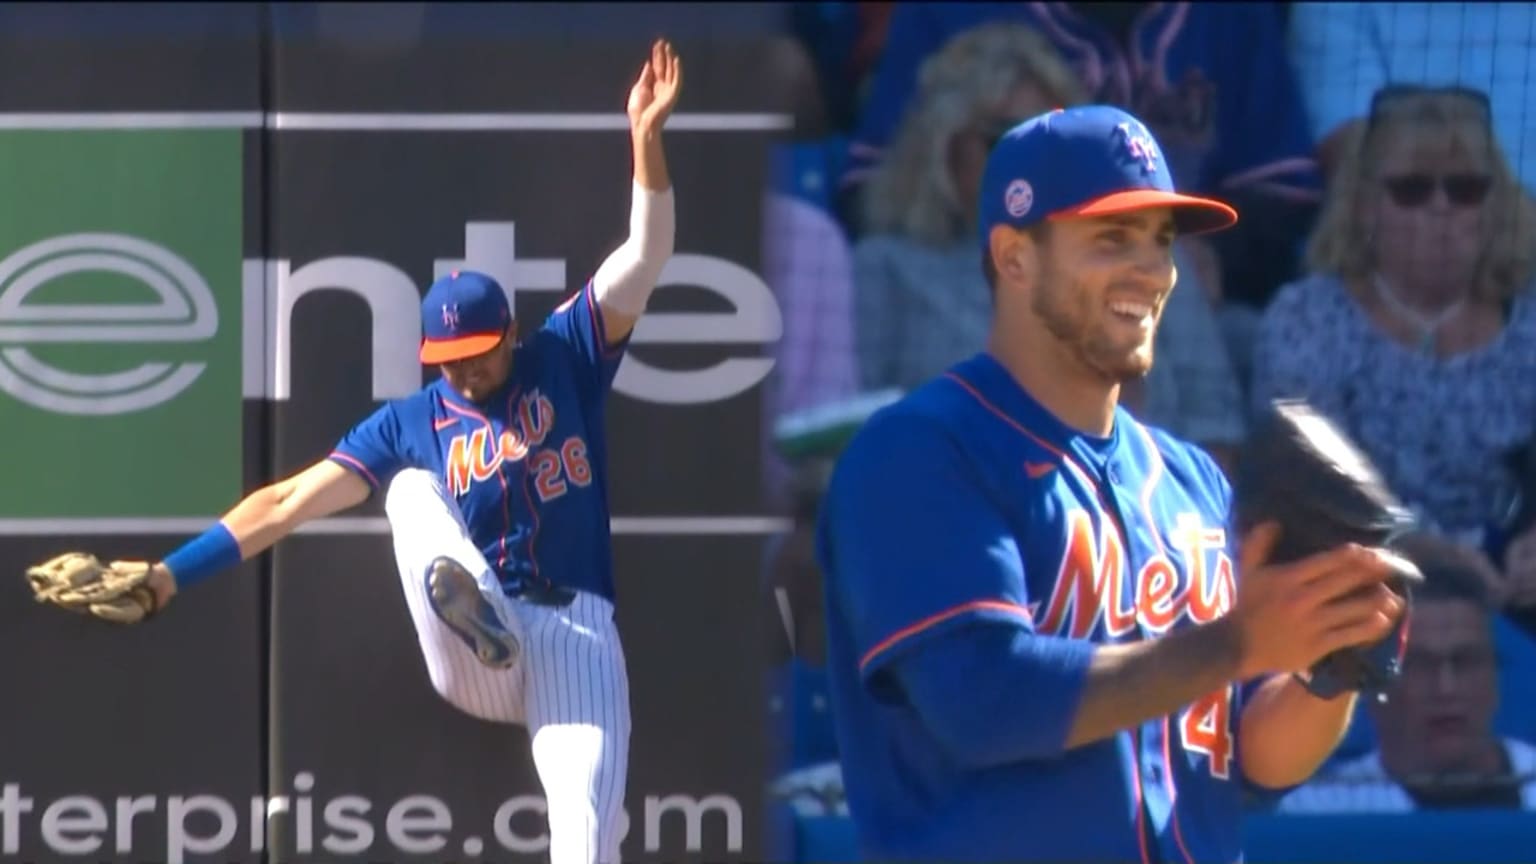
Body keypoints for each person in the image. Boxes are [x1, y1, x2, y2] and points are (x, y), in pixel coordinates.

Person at [87, 39, 681, 864]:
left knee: (584, 829)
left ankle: (474, 608)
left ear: (511, 332)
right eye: (450, 358)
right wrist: (167, 575)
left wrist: (645, 140)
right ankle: (467, 602)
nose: (469, 367)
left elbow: (645, 257)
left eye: (481, 348)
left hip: (574, 633)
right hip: (481, 642)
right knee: (405, 490)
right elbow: (285, 503)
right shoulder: (411, 419)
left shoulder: (563, 354)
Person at [813, 104, 1409, 862]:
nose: (1152, 272)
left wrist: (1333, 654)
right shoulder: (920, 453)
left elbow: (1252, 756)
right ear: (1014, 255)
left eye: (1161, 243)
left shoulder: (1191, 479)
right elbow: (983, 701)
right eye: (1111, 239)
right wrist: (1236, 643)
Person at [1249, 86, 1536, 633]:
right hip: (1353, 593)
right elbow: (1299, 487)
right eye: (1411, 190)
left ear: (1495, 203)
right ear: (1364, 206)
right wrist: (1418, 552)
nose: (1441, 209)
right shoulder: (1306, 319)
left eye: (1466, 189)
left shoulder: (1531, 327)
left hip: (1515, 608)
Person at [1279, 536, 1536, 813]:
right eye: (1421, 665)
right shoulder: (1318, 812)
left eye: (1465, 662)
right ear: (1375, 682)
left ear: (1494, 679)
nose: (1446, 688)